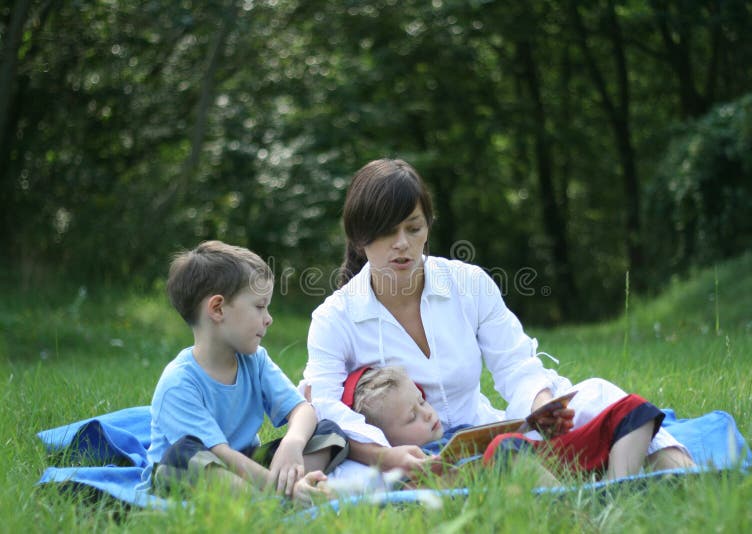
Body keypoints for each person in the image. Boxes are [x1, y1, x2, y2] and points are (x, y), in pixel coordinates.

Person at [302, 158, 694, 477]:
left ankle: (677, 471)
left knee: (600, 393)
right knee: (347, 479)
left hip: (485, 433)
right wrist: (381, 456)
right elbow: (323, 405)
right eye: (387, 232)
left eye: (413, 227)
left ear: (428, 229)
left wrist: (543, 408)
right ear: (359, 237)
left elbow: (515, 364)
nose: (402, 244)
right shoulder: (335, 317)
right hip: (400, 455)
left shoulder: (467, 283)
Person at [145, 240, 348, 505]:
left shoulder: (255, 360)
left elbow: (302, 410)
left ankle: (287, 489)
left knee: (330, 432)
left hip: (248, 464)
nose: (269, 318)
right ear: (217, 309)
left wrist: (293, 443)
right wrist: (273, 485)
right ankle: (280, 497)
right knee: (183, 455)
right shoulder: (178, 382)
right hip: (202, 470)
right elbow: (221, 454)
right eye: (259, 306)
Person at [346, 366, 665, 482]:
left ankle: (616, 489)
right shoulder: (407, 468)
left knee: (631, 408)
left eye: (422, 402)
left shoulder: (466, 428)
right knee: (504, 449)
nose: (427, 413)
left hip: (549, 461)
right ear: (387, 438)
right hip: (514, 472)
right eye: (412, 417)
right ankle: (577, 513)